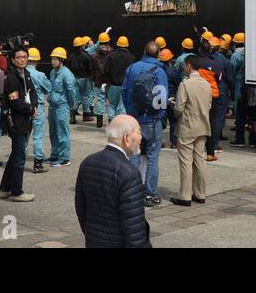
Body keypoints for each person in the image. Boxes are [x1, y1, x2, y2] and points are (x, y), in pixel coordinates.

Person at [74, 115, 151, 248]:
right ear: (127, 138)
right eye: (138, 132)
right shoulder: (129, 173)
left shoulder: (88, 163)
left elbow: (81, 208)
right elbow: (133, 226)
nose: (141, 137)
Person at [122, 41, 168, 207]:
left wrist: (130, 112)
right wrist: (160, 116)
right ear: (158, 54)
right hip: (152, 120)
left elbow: (125, 91)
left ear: (144, 52)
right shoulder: (160, 72)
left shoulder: (132, 68)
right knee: (152, 157)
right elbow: (162, 98)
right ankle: (150, 195)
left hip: (134, 120)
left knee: (133, 155)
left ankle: (132, 192)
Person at [171, 56, 211, 207]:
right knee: (199, 160)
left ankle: (185, 195)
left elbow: (179, 108)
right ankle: (200, 193)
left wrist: (174, 108)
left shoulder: (185, 84)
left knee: (186, 161)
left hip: (187, 127)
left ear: (188, 66)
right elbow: (208, 105)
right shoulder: (206, 84)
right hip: (203, 126)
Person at [0, 47, 36, 202]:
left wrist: (34, 106)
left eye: (25, 57)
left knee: (15, 155)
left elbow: (33, 93)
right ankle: (17, 192)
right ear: (13, 59)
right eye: (19, 57)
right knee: (20, 156)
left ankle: (5, 188)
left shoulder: (26, 74)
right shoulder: (11, 78)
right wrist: (30, 109)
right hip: (16, 121)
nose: (22, 59)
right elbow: (14, 101)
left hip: (25, 118)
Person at [46, 48, 78, 167]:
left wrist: (70, 106)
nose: (52, 61)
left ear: (61, 59)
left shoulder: (66, 74)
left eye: (55, 59)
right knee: (53, 133)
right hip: (52, 107)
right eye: (52, 59)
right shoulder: (52, 72)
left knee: (62, 133)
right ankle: (55, 155)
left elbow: (71, 92)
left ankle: (65, 158)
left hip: (61, 107)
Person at [205, 34, 232, 160]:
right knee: (218, 118)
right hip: (220, 93)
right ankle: (214, 144)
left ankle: (206, 143)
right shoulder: (225, 61)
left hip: (206, 92)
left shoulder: (205, 60)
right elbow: (229, 78)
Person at [26, 48, 51, 173]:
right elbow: (48, 88)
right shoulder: (40, 75)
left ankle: (20, 157)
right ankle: (38, 163)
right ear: (38, 60)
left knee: (24, 134)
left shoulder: (21, 73)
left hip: (24, 107)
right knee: (38, 135)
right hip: (38, 107)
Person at [105, 35, 134, 122]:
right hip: (125, 86)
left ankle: (111, 122)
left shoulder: (110, 56)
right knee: (123, 106)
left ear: (118, 44)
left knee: (112, 105)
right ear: (127, 45)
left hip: (113, 85)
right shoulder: (131, 57)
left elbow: (106, 71)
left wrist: (107, 82)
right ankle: (121, 123)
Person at [66, 36, 92, 124]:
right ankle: (86, 115)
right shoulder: (86, 56)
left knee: (74, 98)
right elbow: (90, 68)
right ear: (82, 45)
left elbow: (68, 70)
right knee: (86, 97)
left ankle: (72, 117)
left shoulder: (71, 57)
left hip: (74, 79)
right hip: (85, 79)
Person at [160, 48, 181, 149]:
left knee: (160, 121)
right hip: (172, 98)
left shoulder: (157, 70)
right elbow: (179, 82)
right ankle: (174, 143)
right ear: (170, 59)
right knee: (173, 121)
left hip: (160, 98)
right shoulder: (172, 70)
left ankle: (160, 142)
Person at [230, 33, 248, 146]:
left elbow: (231, 71)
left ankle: (239, 139)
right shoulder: (248, 52)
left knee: (239, 112)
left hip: (238, 84)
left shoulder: (235, 55)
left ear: (235, 42)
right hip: (247, 85)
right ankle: (252, 140)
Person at [90, 33, 112, 126]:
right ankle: (111, 121)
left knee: (100, 101)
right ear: (108, 41)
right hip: (110, 82)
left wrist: (94, 80)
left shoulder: (94, 56)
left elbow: (92, 70)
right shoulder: (112, 54)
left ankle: (99, 122)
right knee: (111, 102)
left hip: (99, 82)